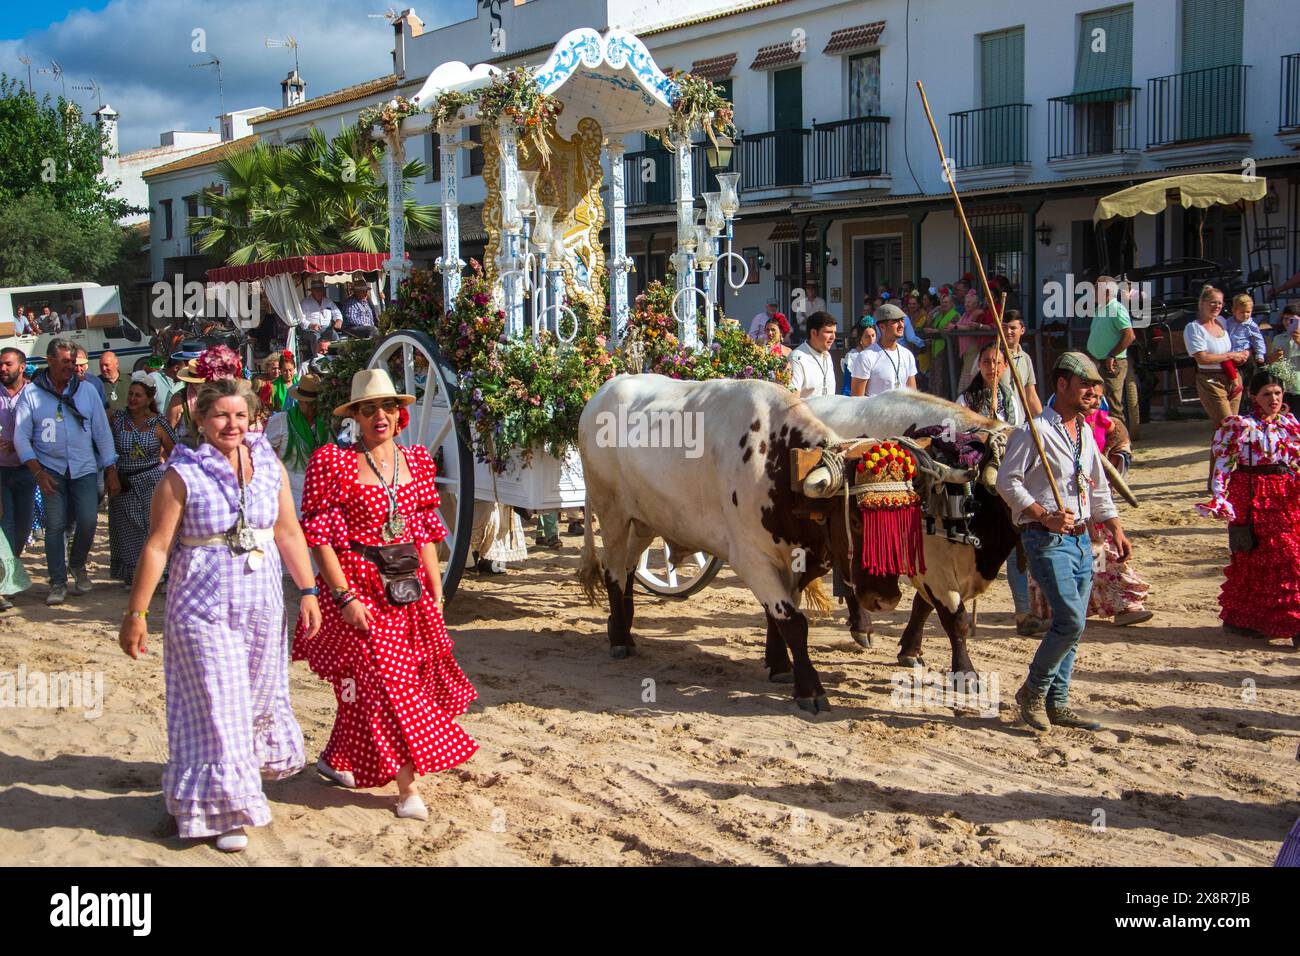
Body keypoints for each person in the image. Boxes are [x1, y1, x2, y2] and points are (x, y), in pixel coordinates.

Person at [118, 377, 320, 852]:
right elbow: (157, 546)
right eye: (220, 416)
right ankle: (227, 811)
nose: (231, 424)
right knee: (217, 705)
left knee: (252, 701)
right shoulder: (180, 473)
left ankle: (209, 792)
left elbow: (288, 532)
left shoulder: (267, 463)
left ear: (252, 418)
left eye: (239, 415)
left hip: (263, 604)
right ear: (201, 420)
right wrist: (137, 611)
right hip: (201, 605)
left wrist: (308, 589)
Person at [294, 369, 478, 820]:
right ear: (355, 415)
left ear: (401, 413)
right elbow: (319, 537)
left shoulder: (416, 459)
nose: (380, 415)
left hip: (407, 586)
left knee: (379, 684)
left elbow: (424, 532)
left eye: (388, 407)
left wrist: (436, 590)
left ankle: (336, 759)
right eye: (368, 408)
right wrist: (342, 597)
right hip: (357, 583)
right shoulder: (331, 462)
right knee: (389, 683)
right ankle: (408, 788)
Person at [996, 352, 1132, 733]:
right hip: (1045, 538)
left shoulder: (1085, 432)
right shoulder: (1031, 431)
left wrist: (1115, 527)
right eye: (1086, 385)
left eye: (1098, 386)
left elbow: (1098, 487)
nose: (1094, 392)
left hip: (1081, 539)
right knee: (1070, 620)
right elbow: (1007, 482)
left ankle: (1058, 702)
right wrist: (1043, 514)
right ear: (1062, 384)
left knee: (1073, 624)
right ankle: (1033, 692)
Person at [13, 338, 120, 605]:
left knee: (88, 520)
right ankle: (57, 582)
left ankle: (77, 563)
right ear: (49, 361)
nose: (71, 367)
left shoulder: (87, 392)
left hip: (84, 467)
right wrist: (38, 472)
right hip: (50, 470)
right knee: (55, 526)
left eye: (74, 362)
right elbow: (21, 438)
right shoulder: (32, 394)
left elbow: (102, 433)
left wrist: (111, 468)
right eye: (65, 362)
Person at [1197, 370, 1300, 645]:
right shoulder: (1240, 425)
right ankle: (1285, 622)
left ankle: (1247, 619)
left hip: (1284, 495)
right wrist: (1219, 497)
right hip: (1251, 495)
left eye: (1277, 393)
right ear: (1254, 396)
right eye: (1267, 394)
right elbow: (1222, 464)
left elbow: (1295, 459)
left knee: (1283, 555)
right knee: (1264, 556)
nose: (1274, 399)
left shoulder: (1288, 423)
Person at [959, 342, 1041, 637]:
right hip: (977, 481)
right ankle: (960, 614)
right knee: (968, 550)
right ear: (978, 366)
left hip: (1010, 477)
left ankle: (1023, 612)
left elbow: (1021, 431)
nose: (992, 367)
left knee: (1015, 545)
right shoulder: (965, 397)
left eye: (997, 362)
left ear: (1006, 367)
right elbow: (959, 436)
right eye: (986, 362)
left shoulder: (1014, 397)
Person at [108, 375, 177, 585]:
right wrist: (111, 475)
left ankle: (161, 575)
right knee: (128, 531)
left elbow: (175, 452)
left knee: (153, 528)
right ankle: (135, 576)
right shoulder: (117, 420)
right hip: (124, 482)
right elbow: (105, 447)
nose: (133, 398)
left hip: (152, 481)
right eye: (130, 394)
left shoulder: (158, 423)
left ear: (148, 399)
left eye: (138, 395)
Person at [264, 373, 330, 512]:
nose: (310, 407)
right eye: (305, 402)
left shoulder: (326, 423)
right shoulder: (282, 421)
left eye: (313, 403)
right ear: (299, 401)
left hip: (320, 492)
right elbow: (268, 456)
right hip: (290, 493)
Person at [0, 347, 36, 557]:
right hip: (1, 469)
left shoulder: (34, 395)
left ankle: (13, 561)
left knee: (23, 523)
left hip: (27, 468)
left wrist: (20, 442)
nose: (3, 368)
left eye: (8, 364)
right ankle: (7, 571)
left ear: (22, 367)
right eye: (0, 365)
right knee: (6, 520)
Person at [1087, 277, 1136, 426]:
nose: (1093, 291)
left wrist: (1112, 355)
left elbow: (1129, 335)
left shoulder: (1116, 308)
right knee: (1099, 404)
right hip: (1098, 362)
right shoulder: (1101, 309)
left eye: (1096, 288)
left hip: (1112, 364)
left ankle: (1120, 442)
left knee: (1113, 405)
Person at [850, 303, 917, 397]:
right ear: (882, 327)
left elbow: (913, 395)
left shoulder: (907, 355)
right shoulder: (866, 357)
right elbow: (856, 399)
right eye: (896, 321)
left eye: (902, 320)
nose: (901, 325)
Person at [999, 309, 1042, 421]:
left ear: (1022, 330)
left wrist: (1043, 423)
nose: (1008, 332)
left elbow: (1031, 395)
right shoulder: (991, 356)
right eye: (1004, 328)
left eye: (1013, 328)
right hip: (996, 425)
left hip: (1019, 424)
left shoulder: (1026, 358)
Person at [789, 311, 837, 398]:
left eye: (834, 332)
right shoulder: (797, 357)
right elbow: (793, 399)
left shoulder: (827, 356)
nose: (833, 337)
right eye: (828, 332)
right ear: (814, 333)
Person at [954, 289, 995, 391]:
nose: (966, 304)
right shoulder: (965, 314)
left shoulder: (977, 312)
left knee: (970, 374)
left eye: (969, 302)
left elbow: (970, 327)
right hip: (966, 351)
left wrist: (955, 327)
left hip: (973, 348)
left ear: (975, 304)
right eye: (965, 302)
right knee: (966, 373)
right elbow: (960, 324)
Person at [924, 290, 960, 398]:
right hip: (935, 350)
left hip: (946, 351)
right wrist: (932, 313)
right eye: (942, 302)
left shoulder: (955, 315)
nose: (943, 304)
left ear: (952, 304)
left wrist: (935, 332)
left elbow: (949, 331)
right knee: (934, 379)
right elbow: (929, 325)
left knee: (943, 380)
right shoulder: (939, 315)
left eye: (946, 302)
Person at [299, 276, 342, 360]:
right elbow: (300, 319)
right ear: (312, 291)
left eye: (321, 290)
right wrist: (311, 325)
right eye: (317, 290)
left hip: (326, 328)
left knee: (335, 337)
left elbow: (337, 313)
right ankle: (317, 359)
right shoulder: (305, 303)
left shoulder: (328, 301)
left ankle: (336, 358)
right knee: (316, 337)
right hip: (310, 330)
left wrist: (338, 321)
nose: (319, 292)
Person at [1226, 293, 1266, 381]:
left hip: (1245, 355)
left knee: (1249, 374)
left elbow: (1258, 340)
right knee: (1234, 378)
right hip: (1232, 355)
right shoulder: (1228, 323)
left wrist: (1260, 354)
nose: (1245, 315)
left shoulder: (1251, 325)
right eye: (1242, 312)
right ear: (1234, 310)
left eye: (1248, 312)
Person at [840, 317, 876, 396]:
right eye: (867, 337)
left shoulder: (880, 354)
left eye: (873, 336)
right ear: (860, 339)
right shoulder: (853, 357)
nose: (871, 340)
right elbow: (847, 387)